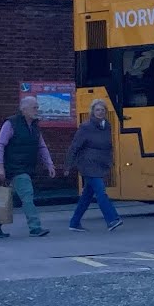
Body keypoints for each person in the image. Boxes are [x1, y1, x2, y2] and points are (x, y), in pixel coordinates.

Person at [0, 96, 56, 238]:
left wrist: (49, 164)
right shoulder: (11, 123)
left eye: (37, 107)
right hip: (15, 167)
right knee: (27, 195)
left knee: (10, 197)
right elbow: (0, 144)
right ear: (23, 109)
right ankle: (35, 227)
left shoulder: (35, 126)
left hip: (26, 167)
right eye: (34, 107)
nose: (37, 110)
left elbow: (42, 146)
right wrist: (0, 167)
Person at [65, 99, 122, 232]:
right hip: (88, 164)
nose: (100, 112)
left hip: (100, 164)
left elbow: (107, 146)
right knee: (101, 192)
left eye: (102, 110)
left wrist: (109, 161)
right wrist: (68, 165)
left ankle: (74, 222)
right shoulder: (86, 127)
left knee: (87, 196)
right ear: (92, 112)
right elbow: (75, 146)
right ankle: (112, 219)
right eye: (97, 110)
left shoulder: (107, 126)